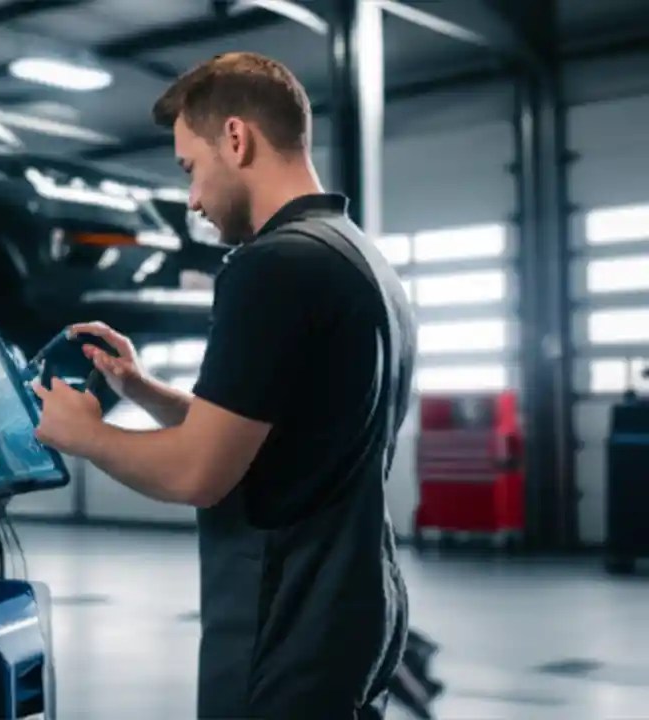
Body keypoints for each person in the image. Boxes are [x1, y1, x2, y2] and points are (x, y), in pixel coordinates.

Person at [31, 51, 417, 719]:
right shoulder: (356, 256)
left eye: (189, 168)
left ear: (235, 139)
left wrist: (85, 434)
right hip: (354, 610)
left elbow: (197, 473)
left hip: (285, 622)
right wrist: (143, 390)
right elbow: (271, 430)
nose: (193, 199)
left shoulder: (271, 267)